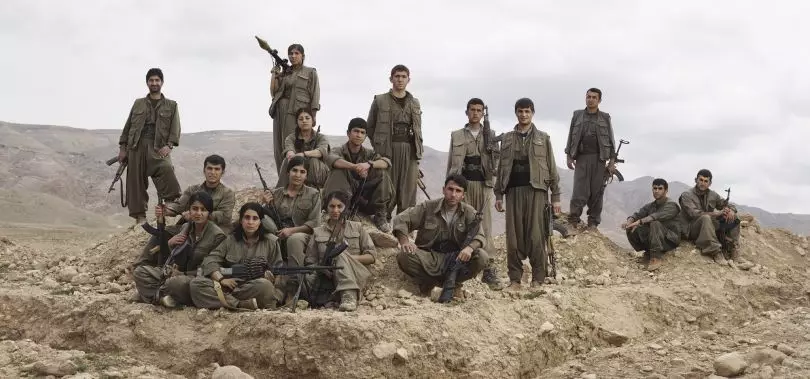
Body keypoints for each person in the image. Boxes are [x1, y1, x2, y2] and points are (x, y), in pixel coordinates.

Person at [494, 98, 562, 290]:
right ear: (516, 113)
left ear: (532, 113)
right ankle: (515, 279)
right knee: (513, 238)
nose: (524, 115)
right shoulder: (506, 139)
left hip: (536, 192)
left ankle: (538, 279)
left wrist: (555, 197)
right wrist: (498, 194)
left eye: (527, 111)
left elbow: (551, 167)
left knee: (536, 235)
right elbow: (501, 169)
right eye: (520, 111)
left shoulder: (543, 138)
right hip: (513, 192)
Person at [393, 174, 489, 300]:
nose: (453, 194)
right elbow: (402, 219)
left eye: (458, 191)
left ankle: (453, 282)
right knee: (404, 256)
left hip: (456, 258)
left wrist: (469, 248)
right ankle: (432, 283)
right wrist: (404, 241)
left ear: (463, 195)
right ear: (444, 190)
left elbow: (480, 236)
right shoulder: (428, 207)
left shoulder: (470, 212)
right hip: (430, 257)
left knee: (481, 256)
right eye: (450, 189)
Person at [131, 191, 226, 307]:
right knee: (140, 272)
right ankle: (163, 298)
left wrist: (183, 273)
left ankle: (152, 295)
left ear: (209, 213)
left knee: (174, 283)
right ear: (189, 211)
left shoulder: (217, 236)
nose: (198, 213)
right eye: (195, 209)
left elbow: (213, 268)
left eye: (203, 210)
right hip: (175, 272)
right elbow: (177, 255)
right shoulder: (186, 227)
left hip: (197, 278)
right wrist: (170, 244)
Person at [446, 98, 502, 289]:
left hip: (483, 184)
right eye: (472, 110)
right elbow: (451, 163)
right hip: (464, 185)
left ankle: (489, 268)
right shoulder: (457, 136)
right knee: (461, 223)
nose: (476, 113)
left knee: (484, 226)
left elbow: (497, 164)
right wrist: (449, 185)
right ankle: (457, 265)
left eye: (479, 110)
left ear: (482, 113)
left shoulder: (491, 135)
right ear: (467, 112)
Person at [189, 202, 286, 311]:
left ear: (260, 222)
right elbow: (210, 260)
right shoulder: (230, 240)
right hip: (229, 286)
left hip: (253, 288)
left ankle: (226, 302)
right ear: (241, 220)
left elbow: (279, 273)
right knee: (196, 284)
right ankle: (239, 304)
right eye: (247, 218)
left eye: (255, 218)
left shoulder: (271, 242)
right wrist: (221, 279)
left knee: (265, 285)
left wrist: (275, 291)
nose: (250, 222)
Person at [117, 67, 182, 224]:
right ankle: (140, 217)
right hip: (136, 146)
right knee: (135, 181)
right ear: (147, 83)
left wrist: (170, 145)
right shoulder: (138, 104)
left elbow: (175, 127)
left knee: (166, 168)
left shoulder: (171, 105)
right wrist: (123, 148)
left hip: (158, 146)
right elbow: (128, 126)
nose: (154, 83)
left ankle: (171, 203)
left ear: (162, 82)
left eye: (157, 80)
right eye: (151, 80)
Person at [366, 64, 423, 220]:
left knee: (408, 191)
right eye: (397, 76)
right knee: (387, 188)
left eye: (403, 77)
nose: (400, 79)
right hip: (388, 152)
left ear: (408, 80)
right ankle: (383, 223)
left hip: (409, 151)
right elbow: (370, 127)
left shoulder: (414, 103)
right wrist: (380, 145)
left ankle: (404, 229)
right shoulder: (380, 100)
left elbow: (418, 129)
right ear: (391, 78)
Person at [304, 190, 377, 312]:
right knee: (307, 278)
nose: (335, 210)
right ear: (326, 208)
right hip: (328, 276)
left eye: (340, 206)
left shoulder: (357, 227)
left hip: (356, 273)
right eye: (332, 206)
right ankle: (331, 298)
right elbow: (310, 261)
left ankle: (349, 296)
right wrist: (323, 269)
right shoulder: (317, 232)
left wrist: (347, 259)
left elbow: (372, 256)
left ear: (345, 208)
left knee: (339, 254)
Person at [322, 117, 395, 232]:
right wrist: (354, 167)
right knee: (338, 170)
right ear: (348, 133)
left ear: (365, 136)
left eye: (362, 133)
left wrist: (369, 164)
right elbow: (332, 159)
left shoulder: (370, 154)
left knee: (382, 172)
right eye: (356, 131)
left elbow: (386, 162)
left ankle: (380, 214)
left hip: (364, 199)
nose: (359, 135)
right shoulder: (339, 150)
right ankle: (340, 210)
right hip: (343, 197)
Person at [564, 88, 617, 232]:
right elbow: (570, 136)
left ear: (599, 100)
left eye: (594, 97)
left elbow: (611, 140)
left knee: (597, 192)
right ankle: (574, 219)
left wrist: (612, 162)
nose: (591, 99)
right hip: (581, 158)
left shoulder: (605, 117)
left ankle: (593, 223)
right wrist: (569, 155)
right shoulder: (577, 115)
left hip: (599, 159)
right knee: (579, 190)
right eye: (588, 96)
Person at [260, 156, 322, 267]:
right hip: (278, 234)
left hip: (301, 236)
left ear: (306, 175)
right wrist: (263, 203)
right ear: (288, 172)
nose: (298, 175)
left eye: (302, 172)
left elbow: (314, 223)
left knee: (294, 239)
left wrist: (291, 231)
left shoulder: (313, 194)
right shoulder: (276, 193)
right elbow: (262, 216)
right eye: (295, 170)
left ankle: (294, 276)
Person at [678, 169, 747, 267]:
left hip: (707, 226)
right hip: (690, 229)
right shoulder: (686, 195)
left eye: (706, 181)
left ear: (710, 183)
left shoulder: (712, 195)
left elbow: (726, 204)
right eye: (700, 180)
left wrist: (730, 210)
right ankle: (716, 252)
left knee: (733, 217)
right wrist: (717, 214)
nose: (703, 183)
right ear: (695, 180)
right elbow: (694, 214)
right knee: (705, 218)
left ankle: (734, 252)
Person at [270, 44, 321, 174]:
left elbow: (315, 95)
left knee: (291, 146)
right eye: (290, 54)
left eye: (296, 53)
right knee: (278, 147)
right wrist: (275, 73)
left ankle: (295, 177)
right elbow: (273, 92)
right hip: (279, 112)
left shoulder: (310, 72)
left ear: (303, 56)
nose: (293, 56)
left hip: (296, 114)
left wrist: (313, 116)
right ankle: (281, 181)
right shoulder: (285, 73)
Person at [164, 154, 235, 233]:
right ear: (204, 170)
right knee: (163, 233)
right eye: (209, 168)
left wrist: (197, 215)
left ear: (222, 172)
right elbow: (179, 206)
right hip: (192, 228)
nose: (212, 172)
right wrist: (167, 209)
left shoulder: (227, 194)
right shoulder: (193, 190)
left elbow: (224, 216)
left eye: (217, 169)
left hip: (215, 231)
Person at [621, 178, 681, 271]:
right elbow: (638, 214)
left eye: (660, 188)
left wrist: (640, 221)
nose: (657, 191)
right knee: (632, 227)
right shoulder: (651, 205)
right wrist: (630, 221)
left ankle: (656, 257)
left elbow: (656, 216)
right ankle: (648, 252)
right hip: (656, 239)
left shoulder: (671, 205)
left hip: (670, 240)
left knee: (655, 223)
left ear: (666, 190)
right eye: (655, 188)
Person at [275, 108, 330, 190]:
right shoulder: (291, 137)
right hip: (300, 170)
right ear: (297, 122)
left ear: (313, 120)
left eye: (307, 118)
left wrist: (303, 154)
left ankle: (313, 190)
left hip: (319, 173)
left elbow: (321, 151)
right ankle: (280, 191)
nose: (304, 121)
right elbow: (289, 150)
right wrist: (291, 156)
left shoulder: (321, 137)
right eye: (301, 119)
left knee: (313, 160)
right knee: (287, 160)